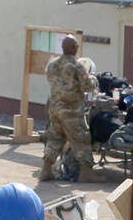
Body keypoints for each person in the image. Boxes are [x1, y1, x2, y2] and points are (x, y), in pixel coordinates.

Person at [40, 35, 99, 183]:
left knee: (54, 138)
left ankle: (46, 170)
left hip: (55, 109)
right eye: (76, 46)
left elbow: (51, 80)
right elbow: (88, 86)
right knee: (81, 139)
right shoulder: (77, 66)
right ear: (73, 48)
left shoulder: (52, 65)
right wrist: (93, 77)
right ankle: (86, 174)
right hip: (72, 111)